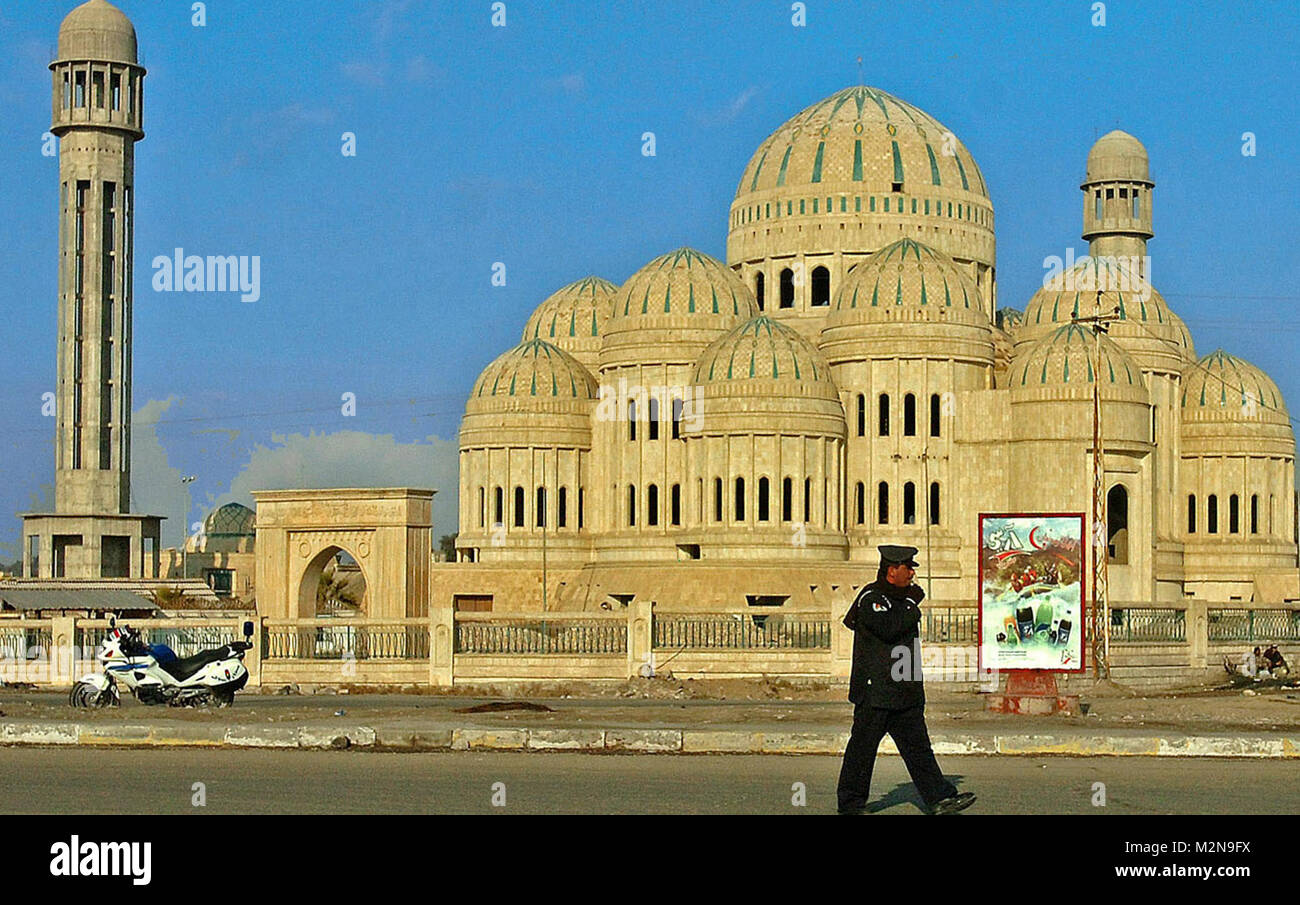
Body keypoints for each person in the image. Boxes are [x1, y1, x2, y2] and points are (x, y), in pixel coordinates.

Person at [837, 544, 976, 816]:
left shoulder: (901, 601)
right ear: (892, 571)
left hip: (905, 693)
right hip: (876, 694)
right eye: (908, 568)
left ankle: (939, 798)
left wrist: (916, 689)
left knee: (919, 749)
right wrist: (912, 604)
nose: (912, 573)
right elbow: (889, 628)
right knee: (862, 751)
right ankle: (850, 805)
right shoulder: (872, 599)